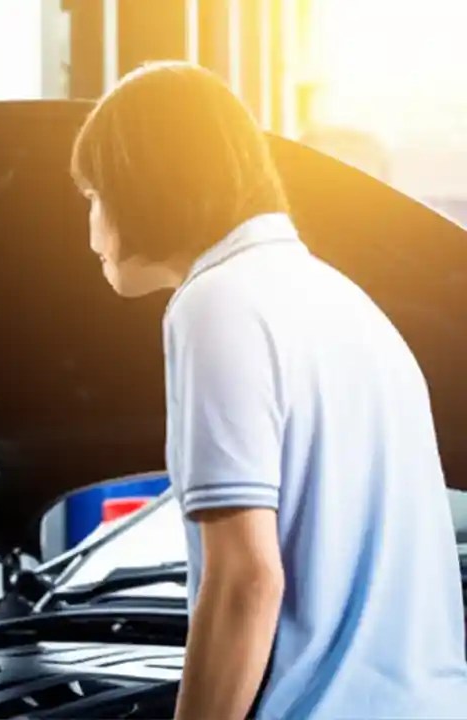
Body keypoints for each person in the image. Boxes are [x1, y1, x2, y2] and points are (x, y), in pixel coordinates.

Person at [69, 60, 467, 719]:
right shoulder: (343, 301)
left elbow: (245, 580)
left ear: (142, 182)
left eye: (92, 194)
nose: (89, 228)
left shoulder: (218, 303)